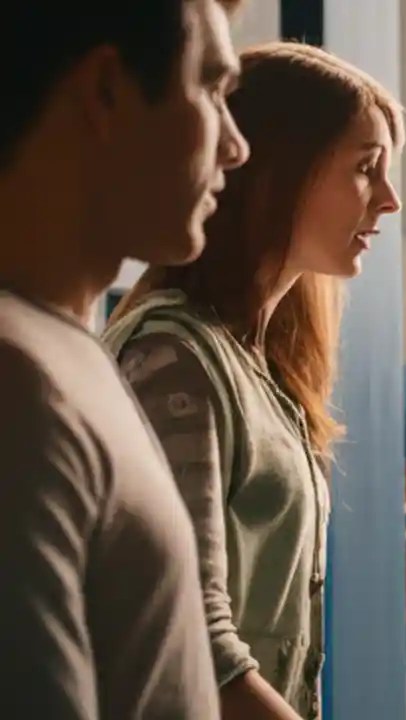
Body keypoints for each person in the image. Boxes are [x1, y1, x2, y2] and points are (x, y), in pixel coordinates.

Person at [101, 41, 403, 719]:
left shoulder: (258, 366)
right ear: (275, 169)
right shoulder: (173, 359)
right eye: (365, 169)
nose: (390, 200)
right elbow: (190, 641)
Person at [0, 1, 249, 717]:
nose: (236, 146)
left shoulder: (64, 353)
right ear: (107, 92)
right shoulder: (16, 392)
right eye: (211, 89)